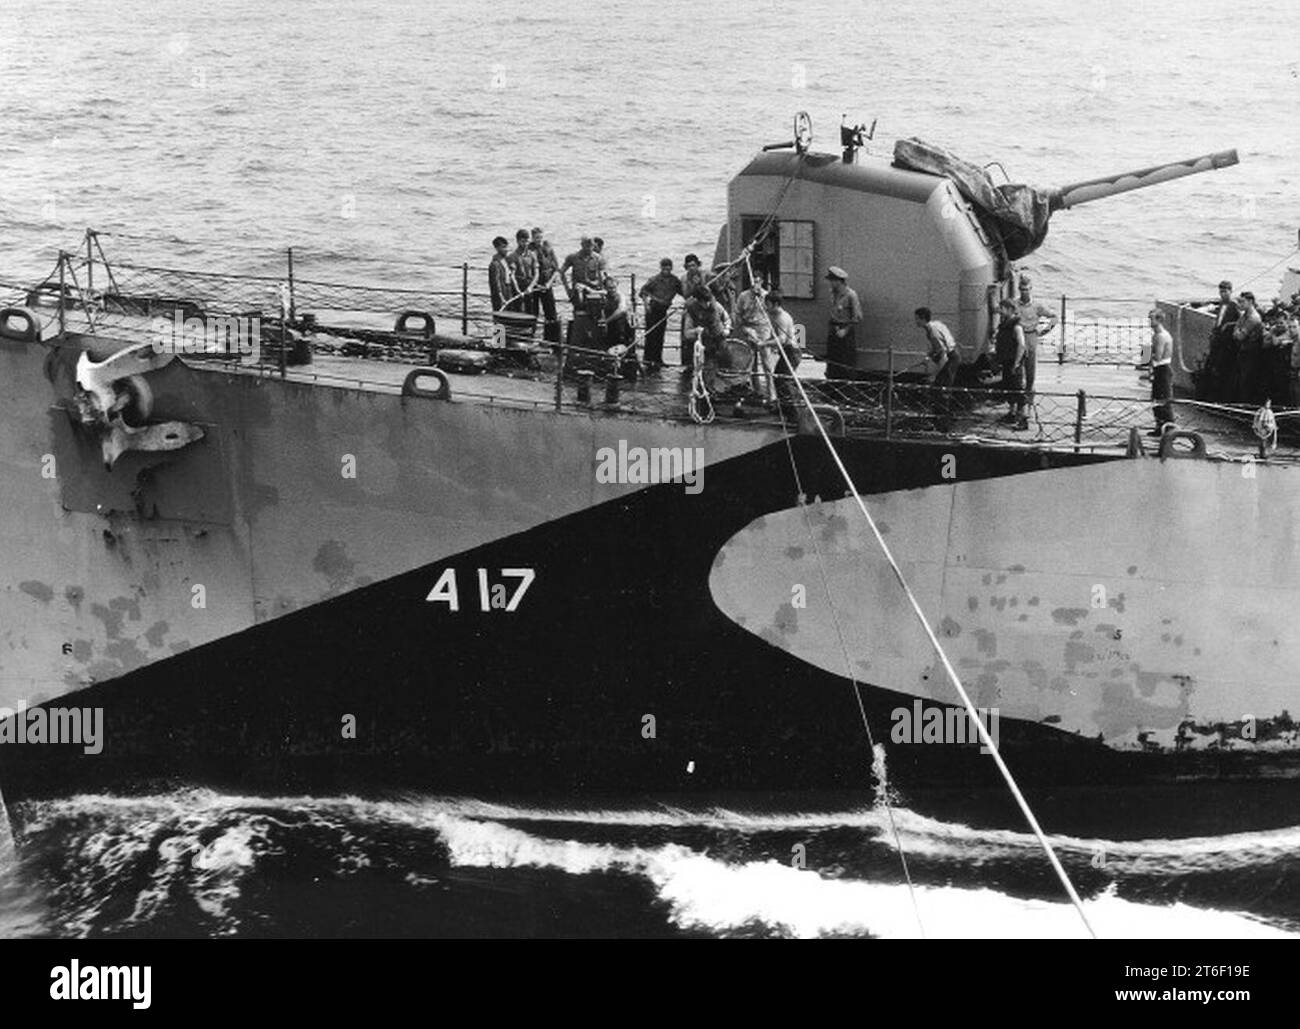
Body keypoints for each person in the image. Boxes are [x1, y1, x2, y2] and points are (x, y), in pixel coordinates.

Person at [1015, 273, 1057, 414]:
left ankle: (1029, 407)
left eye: (1026, 289)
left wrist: (1044, 331)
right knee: (1017, 372)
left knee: (1030, 372)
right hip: (1018, 337)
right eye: (1022, 289)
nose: (1024, 292)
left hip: (1032, 335)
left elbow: (1054, 317)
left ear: (1031, 289)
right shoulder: (1015, 303)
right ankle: (1018, 407)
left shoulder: (1037, 305)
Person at [915, 306, 961, 428]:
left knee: (941, 389)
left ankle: (943, 423)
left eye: (917, 319)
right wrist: (928, 356)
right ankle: (942, 418)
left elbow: (943, 357)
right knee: (939, 389)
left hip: (950, 359)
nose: (916, 322)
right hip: (952, 354)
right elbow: (939, 347)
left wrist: (934, 375)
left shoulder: (933, 331)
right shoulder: (935, 325)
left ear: (923, 319)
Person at [637, 258, 683, 371]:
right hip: (652, 310)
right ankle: (647, 360)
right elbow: (643, 292)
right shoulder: (654, 280)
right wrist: (646, 304)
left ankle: (658, 360)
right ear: (661, 268)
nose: (666, 271)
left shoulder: (675, 281)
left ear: (671, 268)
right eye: (664, 268)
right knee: (651, 335)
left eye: (668, 268)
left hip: (663, 311)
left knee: (660, 336)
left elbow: (683, 292)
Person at [994, 298, 1027, 429]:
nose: (1000, 311)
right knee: (1008, 388)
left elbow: (1021, 345)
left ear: (1009, 309)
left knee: (1018, 389)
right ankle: (1011, 413)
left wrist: (1017, 363)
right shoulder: (1005, 325)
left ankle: (1022, 419)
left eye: (1002, 309)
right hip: (1007, 361)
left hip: (1014, 362)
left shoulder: (1016, 326)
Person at [764, 289, 800, 407]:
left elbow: (782, 339)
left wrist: (764, 344)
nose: (766, 307)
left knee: (783, 380)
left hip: (792, 352)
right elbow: (773, 335)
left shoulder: (782, 317)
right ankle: (785, 407)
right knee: (779, 379)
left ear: (776, 304)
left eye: (768, 304)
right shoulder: (773, 315)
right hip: (785, 351)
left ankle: (793, 409)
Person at [825, 266, 862, 379]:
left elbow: (857, 317)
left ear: (838, 281)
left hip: (845, 334)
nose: (830, 283)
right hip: (834, 331)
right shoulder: (833, 294)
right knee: (832, 365)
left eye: (832, 281)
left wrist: (845, 330)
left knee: (846, 365)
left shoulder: (851, 295)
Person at [681, 287, 730, 368]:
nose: (707, 304)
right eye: (704, 302)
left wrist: (727, 329)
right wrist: (696, 331)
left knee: (726, 363)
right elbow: (687, 333)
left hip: (719, 340)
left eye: (708, 301)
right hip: (702, 344)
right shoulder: (691, 311)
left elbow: (727, 319)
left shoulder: (717, 307)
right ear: (699, 301)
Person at [1206, 279, 1239, 400]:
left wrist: (1229, 325)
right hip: (1217, 339)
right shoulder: (1221, 304)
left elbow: (1240, 321)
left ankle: (1219, 397)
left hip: (1226, 343)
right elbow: (1218, 319)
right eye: (1221, 292)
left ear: (1230, 291)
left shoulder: (1234, 306)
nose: (1222, 294)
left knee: (1221, 369)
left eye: (1225, 292)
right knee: (1211, 366)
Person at [561, 235, 607, 320]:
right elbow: (562, 272)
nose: (589, 249)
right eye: (587, 246)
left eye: (591, 246)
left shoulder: (598, 259)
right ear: (582, 245)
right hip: (578, 291)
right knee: (579, 315)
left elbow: (602, 276)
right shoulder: (573, 257)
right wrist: (567, 289)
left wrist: (603, 291)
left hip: (594, 290)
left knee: (596, 316)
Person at [529, 227, 562, 343]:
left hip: (546, 285)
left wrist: (549, 283)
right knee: (533, 313)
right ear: (532, 238)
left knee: (551, 314)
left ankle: (552, 341)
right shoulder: (529, 251)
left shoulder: (548, 249)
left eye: (540, 237)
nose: (539, 240)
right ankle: (530, 339)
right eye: (536, 237)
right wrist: (534, 284)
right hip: (534, 287)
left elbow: (556, 269)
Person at [1233, 291, 1264, 403]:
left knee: (1246, 382)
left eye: (1242, 302)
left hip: (1251, 355)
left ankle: (1244, 407)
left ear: (1250, 302)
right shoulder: (1244, 315)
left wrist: (1238, 330)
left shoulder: (1253, 318)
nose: (1240, 304)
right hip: (1243, 352)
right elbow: (1236, 330)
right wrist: (1237, 330)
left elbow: (1240, 336)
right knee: (1240, 380)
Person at [1148, 309, 1175, 436]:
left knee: (1163, 400)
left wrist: (1145, 353)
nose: (1149, 321)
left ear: (1158, 320)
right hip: (1158, 369)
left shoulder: (1161, 336)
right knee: (1156, 400)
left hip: (1163, 369)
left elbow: (1157, 357)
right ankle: (1160, 427)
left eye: (1151, 319)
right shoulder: (1156, 335)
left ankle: (1169, 429)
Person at [679, 254, 706, 369]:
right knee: (686, 336)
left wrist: (700, 284)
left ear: (698, 265)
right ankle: (687, 363)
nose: (691, 268)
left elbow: (707, 293)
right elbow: (685, 295)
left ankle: (703, 362)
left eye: (693, 265)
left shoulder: (705, 274)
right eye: (689, 266)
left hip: (703, 308)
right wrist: (693, 286)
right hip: (690, 308)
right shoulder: (684, 278)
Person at [509, 229, 538, 315]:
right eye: (523, 241)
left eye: (527, 241)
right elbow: (512, 276)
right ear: (517, 241)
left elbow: (536, 274)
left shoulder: (532, 255)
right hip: (518, 287)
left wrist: (530, 287)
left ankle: (531, 328)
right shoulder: (513, 256)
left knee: (531, 313)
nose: (525, 244)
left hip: (530, 287)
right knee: (518, 313)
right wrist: (518, 291)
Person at [488, 236, 517, 313]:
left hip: (508, 291)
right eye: (503, 247)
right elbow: (496, 283)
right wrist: (501, 298)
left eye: (506, 247)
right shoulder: (495, 264)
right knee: (501, 314)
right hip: (500, 295)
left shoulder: (506, 260)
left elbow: (510, 275)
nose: (506, 249)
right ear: (497, 249)